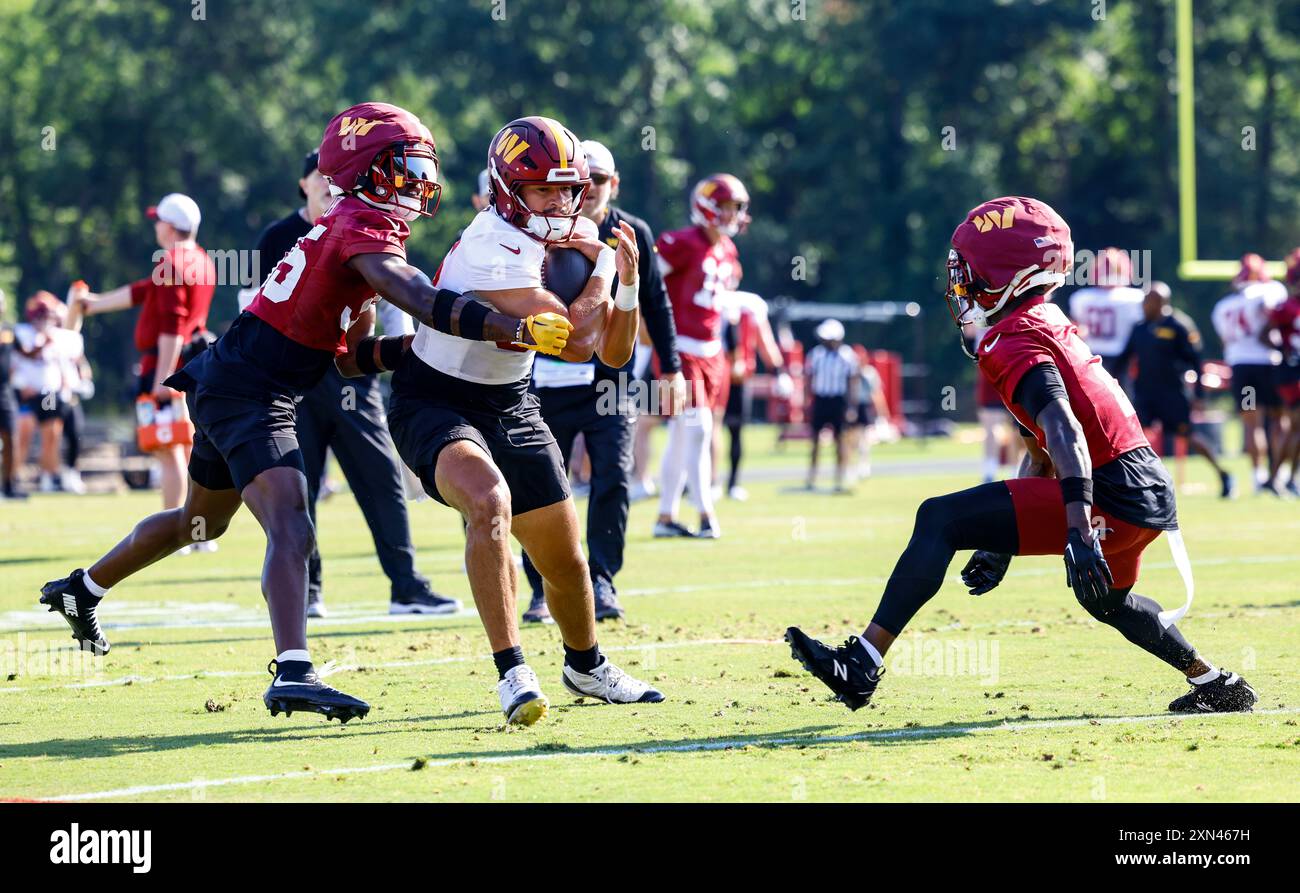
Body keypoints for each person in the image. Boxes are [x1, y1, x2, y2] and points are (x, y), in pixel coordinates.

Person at [40, 102, 564, 724]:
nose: (422, 179)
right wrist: (509, 326)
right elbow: (422, 298)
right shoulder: (361, 227)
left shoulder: (360, 228)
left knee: (196, 524)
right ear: (370, 170)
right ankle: (293, 672)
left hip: (238, 380)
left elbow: (351, 359)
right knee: (292, 523)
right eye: (408, 165)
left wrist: (431, 348)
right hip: (249, 389)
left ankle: (83, 589)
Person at [786, 196, 1257, 716]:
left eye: (967, 271)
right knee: (1106, 601)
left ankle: (862, 663)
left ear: (1003, 272)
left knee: (939, 518)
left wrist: (1078, 529)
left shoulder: (1011, 338)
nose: (960, 283)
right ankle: (1217, 683)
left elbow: (1065, 428)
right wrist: (1003, 541)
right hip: (1140, 482)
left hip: (1110, 488)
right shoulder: (1041, 320)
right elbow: (1040, 448)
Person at [386, 116, 663, 725]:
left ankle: (585, 666)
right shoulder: (494, 244)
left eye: (568, 188)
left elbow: (616, 355)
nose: (562, 201)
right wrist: (601, 270)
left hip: (510, 402)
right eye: (544, 190)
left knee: (564, 562)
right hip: (436, 398)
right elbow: (576, 344)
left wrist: (629, 282)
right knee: (488, 502)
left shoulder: (575, 234)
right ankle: (512, 671)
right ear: (509, 190)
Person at [249, 150, 457, 619]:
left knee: (382, 482)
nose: (326, 184)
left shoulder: (367, 225)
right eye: (316, 177)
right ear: (303, 184)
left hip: (352, 376)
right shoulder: (280, 236)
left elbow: (389, 300)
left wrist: (405, 348)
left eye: (331, 177)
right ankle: (309, 588)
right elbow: (258, 306)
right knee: (299, 488)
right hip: (297, 383)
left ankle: (406, 585)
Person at [518, 139, 683, 624]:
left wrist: (670, 368)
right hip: (543, 381)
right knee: (541, 485)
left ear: (615, 184)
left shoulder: (631, 232)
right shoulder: (539, 230)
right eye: (578, 181)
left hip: (609, 381)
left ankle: (603, 579)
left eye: (599, 181)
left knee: (613, 476)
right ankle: (540, 589)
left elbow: (656, 302)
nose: (586, 190)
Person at [69, 193, 215, 516]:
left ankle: (181, 528)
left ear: (170, 226)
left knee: (168, 448)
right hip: (193, 365)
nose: (155, 227)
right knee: (190, 447)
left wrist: (162, 379)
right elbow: (142, 291)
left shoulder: (171, 263)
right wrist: (93, 304)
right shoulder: (201, 259)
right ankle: (202, 527)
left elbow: (172, 327)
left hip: (166, 367)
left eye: (158, 221)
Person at [654, 173, 752, 539]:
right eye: (725, 207)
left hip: (712, 351)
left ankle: (665, 516)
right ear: (707, 207)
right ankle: (705, 512)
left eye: (736, 208)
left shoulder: (727, 249)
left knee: (683, 432)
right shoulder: (680, 243)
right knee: (699, 428)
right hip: (680, 347)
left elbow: (725, 298)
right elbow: (646, 281)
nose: (731, 215)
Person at [1115, 281, 1233, 497]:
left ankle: (1223, 474)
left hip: (1172, 393)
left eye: (1148, 300)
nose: (1143, 305)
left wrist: (1198, 394)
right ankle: (1135, 484)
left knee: (1189, 435)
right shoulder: (1139, 328)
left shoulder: (1179, 325)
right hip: (1145, 393)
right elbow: (1123, 359)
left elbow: (1196, 362)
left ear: (1159, 302)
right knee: (1133, 437)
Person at [1211, 253, 1288, 495]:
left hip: (1241, 368)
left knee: (1252, 424)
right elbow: (1274, 316)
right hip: (1268, 364)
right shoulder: (1271, 290)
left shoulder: (1222, 307)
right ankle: (1279, 474)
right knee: (1280, 420)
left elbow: (1225, 341)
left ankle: (1258, 477)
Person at [720, 291, 789, 501]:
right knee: (725, 431)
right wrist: (778, 372)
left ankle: (718, 483)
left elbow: (764, 341)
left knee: (710, 430)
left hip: (720, 375)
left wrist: (778, 371)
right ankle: (723, 484)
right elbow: (765, 342)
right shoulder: (747, 303)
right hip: (722, 374)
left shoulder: (747, 303)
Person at [12, 294, 82, 492]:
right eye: (40, 316)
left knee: (51, 435)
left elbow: (68, 359)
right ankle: (13, 476)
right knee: (22, 433)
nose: (43, 321)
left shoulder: (59, 336)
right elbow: (15, 363)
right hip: (27, 393)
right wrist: (20, 384)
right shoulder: (22, 333)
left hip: (49, 393)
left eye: (46, 316)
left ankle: (48, 477)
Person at [1067, 247, 1145, 382]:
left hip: (1090, 354)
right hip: (1121, 356)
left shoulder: (1081, 298)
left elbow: (1077, 328)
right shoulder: (1134, 298)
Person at [804, 318, 859, 493]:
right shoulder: (816, 354)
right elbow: (809, 379)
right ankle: (812, 477)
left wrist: (852, 406)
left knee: (841, 441)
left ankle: (840, 477)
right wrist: (807, 402)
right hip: (821, 399)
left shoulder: (847, 355)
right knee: (814, 441)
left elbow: (852, 382)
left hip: (838, 400)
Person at [1265, 248, 1300, 495]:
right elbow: (1266, 331)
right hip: (1293, 370)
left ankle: (1285, 478)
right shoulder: (1288, 307)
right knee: (1295, 426)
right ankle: (1278, 477)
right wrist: (1284, 350)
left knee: (1295, 427)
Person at [0, 288, 23, 499]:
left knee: (11, 439)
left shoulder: (8, 330)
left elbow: (25, 352)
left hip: (4, 392)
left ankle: (9, 484)